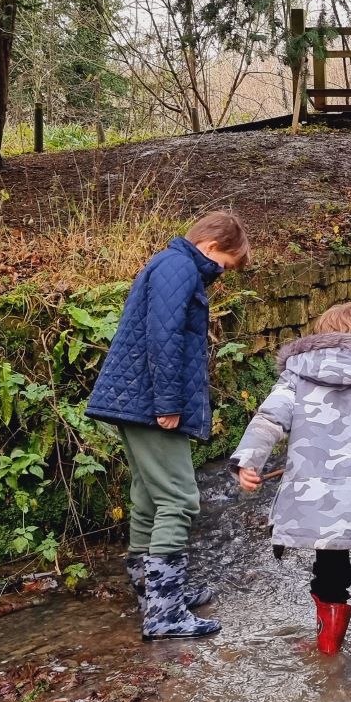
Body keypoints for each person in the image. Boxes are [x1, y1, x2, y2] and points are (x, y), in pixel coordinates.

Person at [232, 302, 351, 668]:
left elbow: (270, 418)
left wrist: (248, 461)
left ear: (321, 336)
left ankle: (327, 648)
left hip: (316, 496)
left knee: (329, 565)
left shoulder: (296, 374)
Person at [86, 209, 250, 640]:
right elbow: (165, 338)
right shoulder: (178, 266)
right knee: (179, 498)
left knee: (148, 497)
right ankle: (164, 612)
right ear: (211, 247)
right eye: (224, 265)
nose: (220, 274)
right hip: (150, 403)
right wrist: (168, 402)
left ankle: (154, 591)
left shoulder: (169, 264)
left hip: (135, 401)